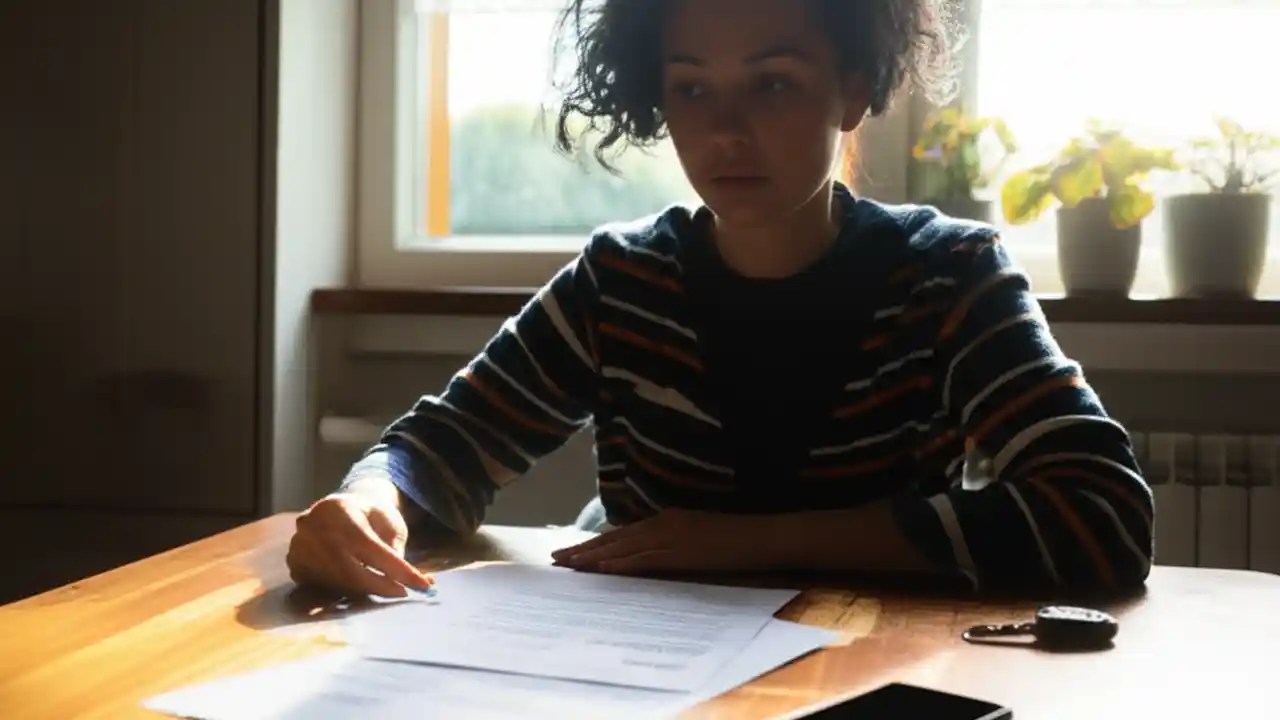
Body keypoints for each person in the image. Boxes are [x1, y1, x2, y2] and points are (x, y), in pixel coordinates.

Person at [287, 0, 1154, 599]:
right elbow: (440, 448)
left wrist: (758, 541)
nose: (725, 131)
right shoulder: (620, 282)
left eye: (772, 82)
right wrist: (368, 501)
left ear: (855, 88)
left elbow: (1102, 511)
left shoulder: (949, 277)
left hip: (867, 675)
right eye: (692, 88)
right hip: (640, 677)